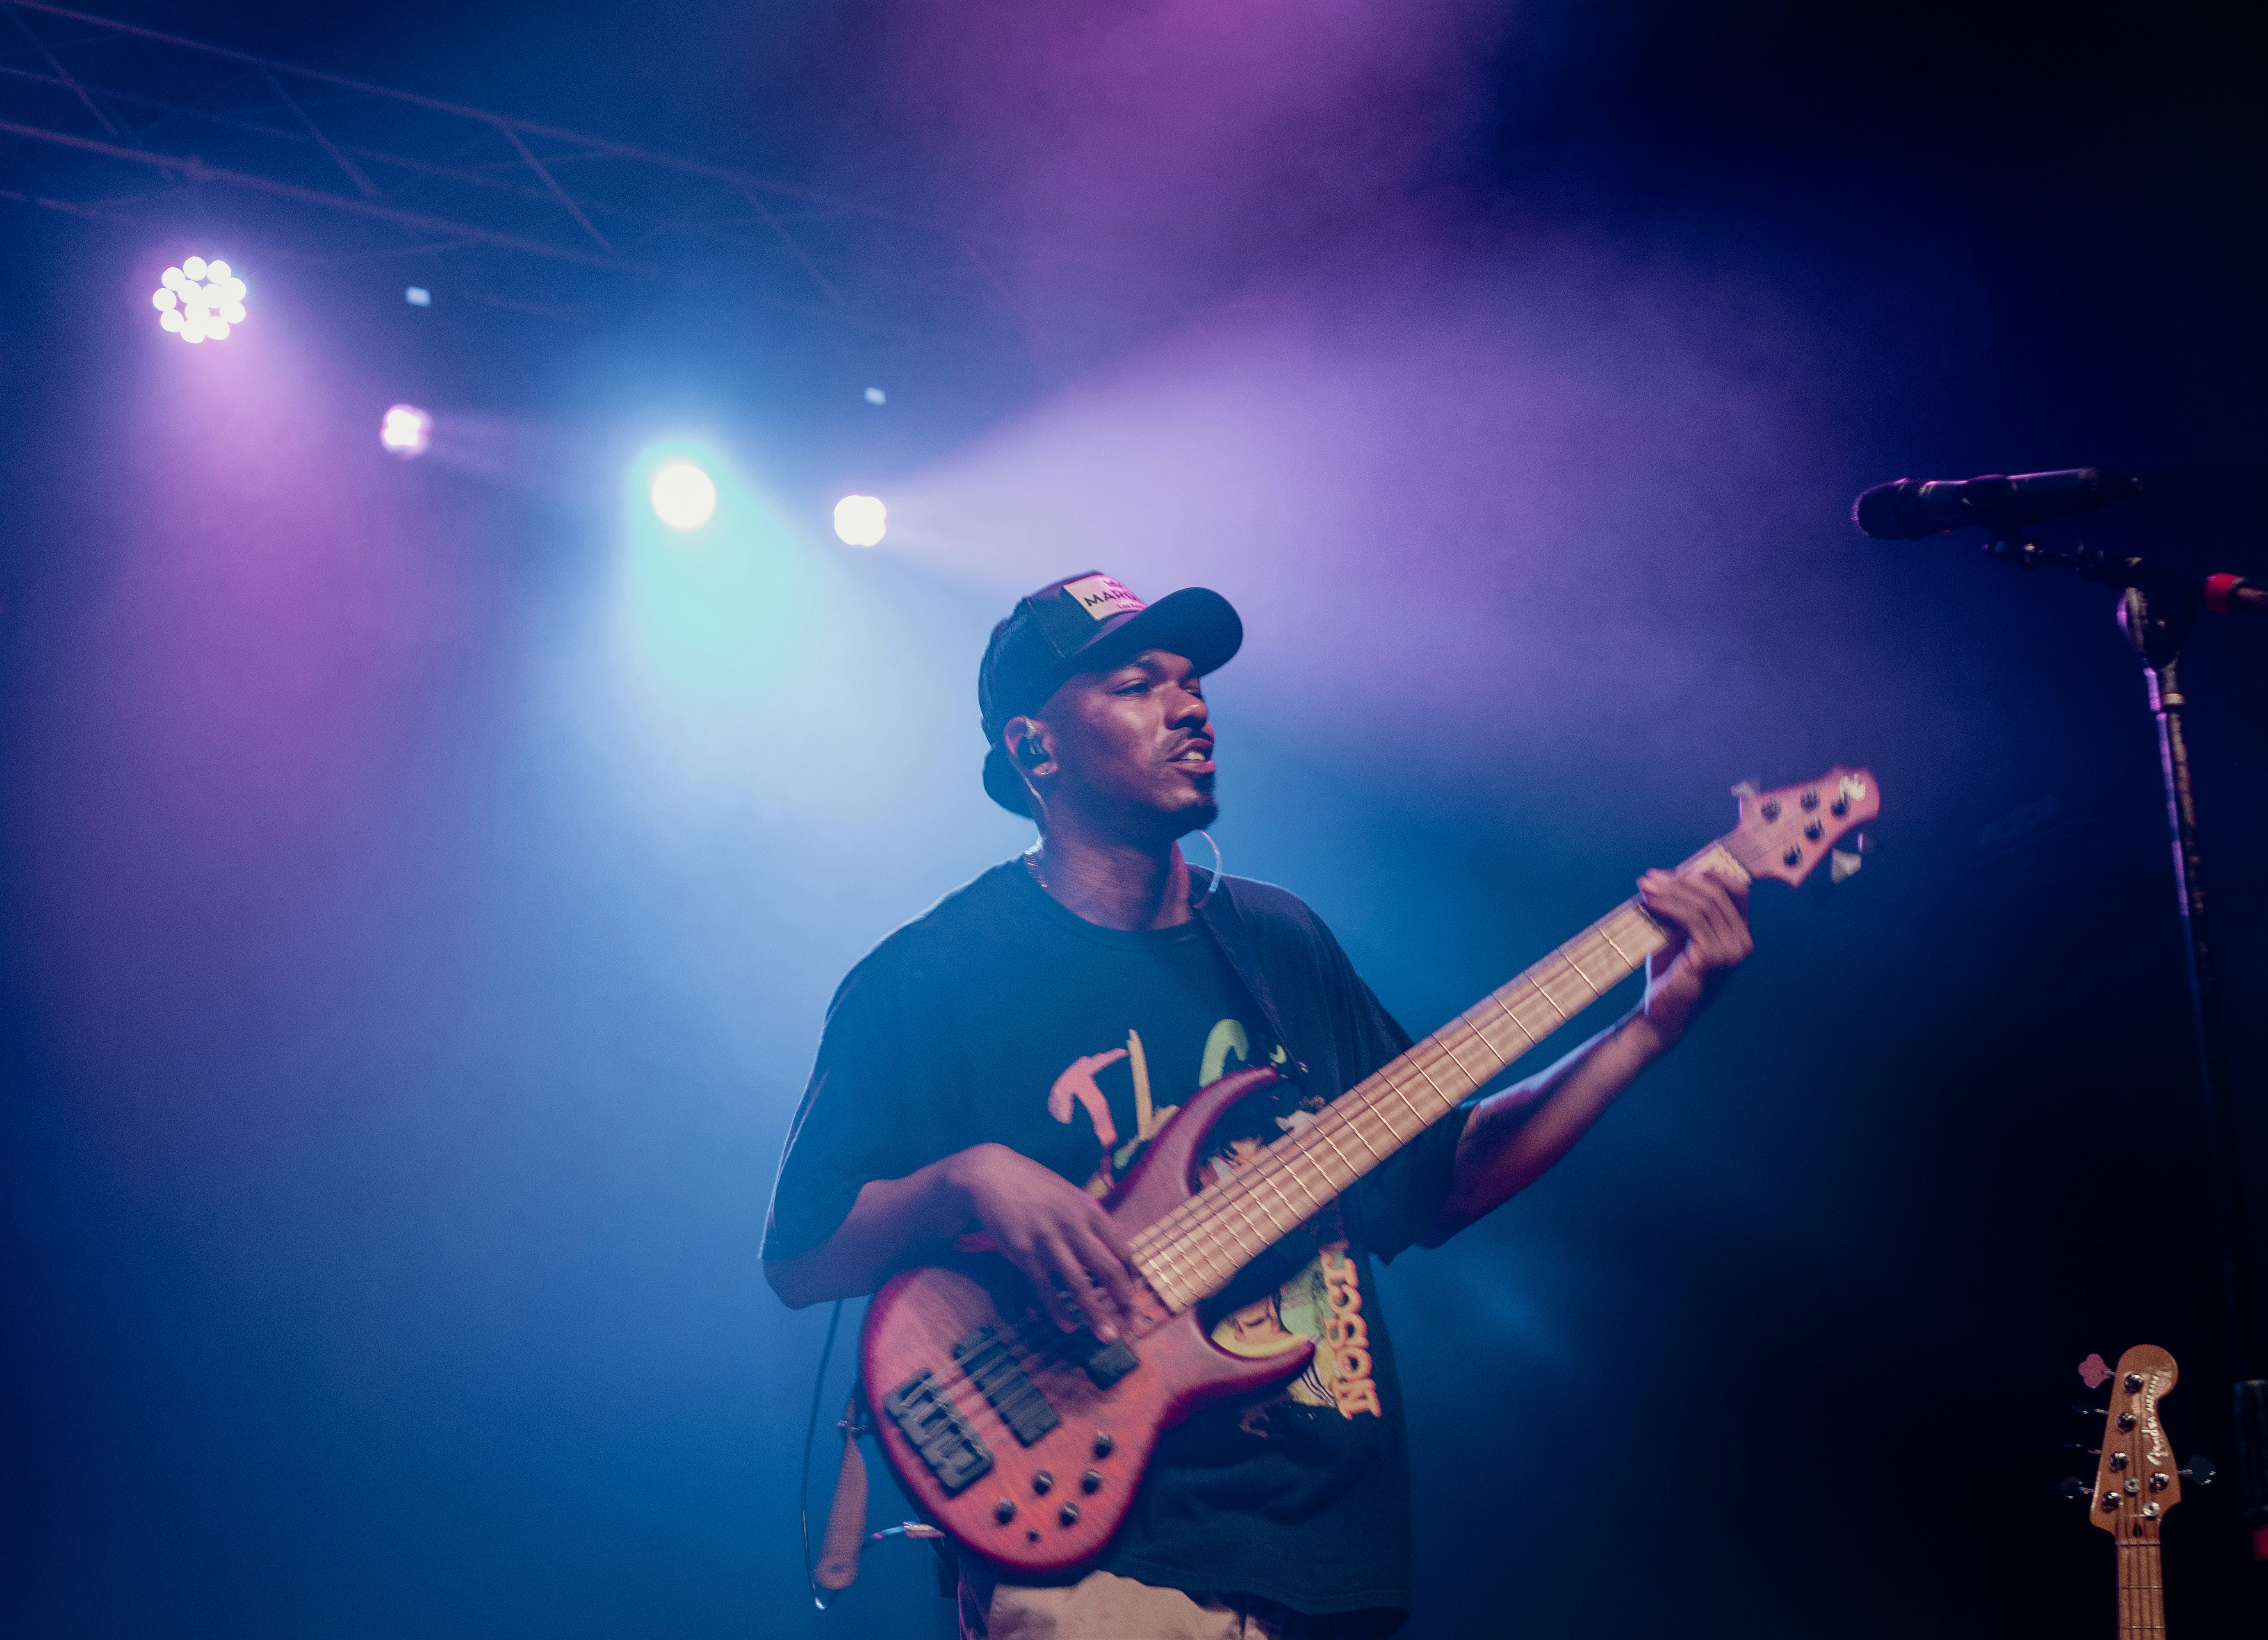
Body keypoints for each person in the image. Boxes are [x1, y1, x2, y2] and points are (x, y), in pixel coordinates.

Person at [764, 573, 1752, 1639]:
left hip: (1330, 1555)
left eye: (1193, 685)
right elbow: (802, 1256)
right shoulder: (930, 975)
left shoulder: (1279, 944)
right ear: (1034, 749)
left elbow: (1436, 1182)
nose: (1189, 707)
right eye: (1139, 684)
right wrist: (958, 1182)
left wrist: (1649, 1028)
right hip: (1104, 1553)